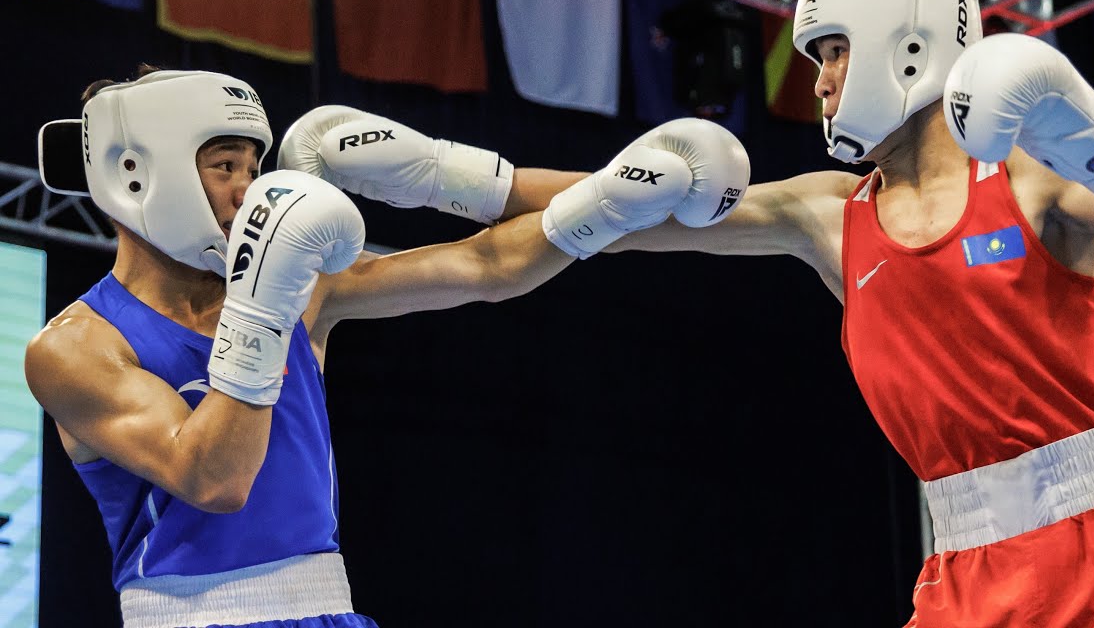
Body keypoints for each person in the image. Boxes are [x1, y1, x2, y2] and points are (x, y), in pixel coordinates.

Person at [603, 0, 1094, 627]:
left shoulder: (1030, 176)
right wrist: (493, 184)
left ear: (906, 45)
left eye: (833, 53)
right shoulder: (831, 216)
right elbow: (633, 206)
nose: (819, 85)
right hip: (965, 578)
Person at [24, 67, 749, 628]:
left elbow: (484, 266)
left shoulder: (304, 291)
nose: (251, 191)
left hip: (330, 604)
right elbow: (215, 480)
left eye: (254, 166)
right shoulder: (76, 349)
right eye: (224, 168)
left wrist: (610, 199)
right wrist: (264, 297)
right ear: (139, 174)